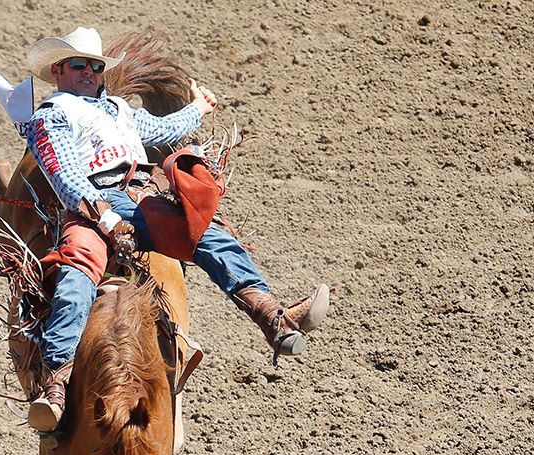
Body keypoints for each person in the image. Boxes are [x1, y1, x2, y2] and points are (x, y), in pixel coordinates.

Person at [21, 27, 330, 432]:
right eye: (80, 65)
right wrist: (104, 215)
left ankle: (273, 317)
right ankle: (56, 384)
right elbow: (62, 173)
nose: (90, 72)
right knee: (79, 267)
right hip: (93, 203)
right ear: (59, 70)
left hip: (141, 196)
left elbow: (161, 130)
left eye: (95, 66)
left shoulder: (119, 110)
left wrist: (198, 108)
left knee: (207, 235)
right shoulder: (51, 115)